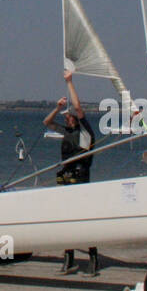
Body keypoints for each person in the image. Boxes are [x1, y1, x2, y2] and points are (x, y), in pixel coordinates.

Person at [43, 68, 97, 274]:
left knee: (84, 221)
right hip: (66, 180)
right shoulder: (67, 131)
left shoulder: (86, 134)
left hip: (81, 180)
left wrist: (70, 82)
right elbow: (47, 122)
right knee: (67, 220)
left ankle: (93, 258)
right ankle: (69, 259)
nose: (67, 118)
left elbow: (77, 106)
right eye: (65, 117)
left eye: (68, 116)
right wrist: (57, 108)